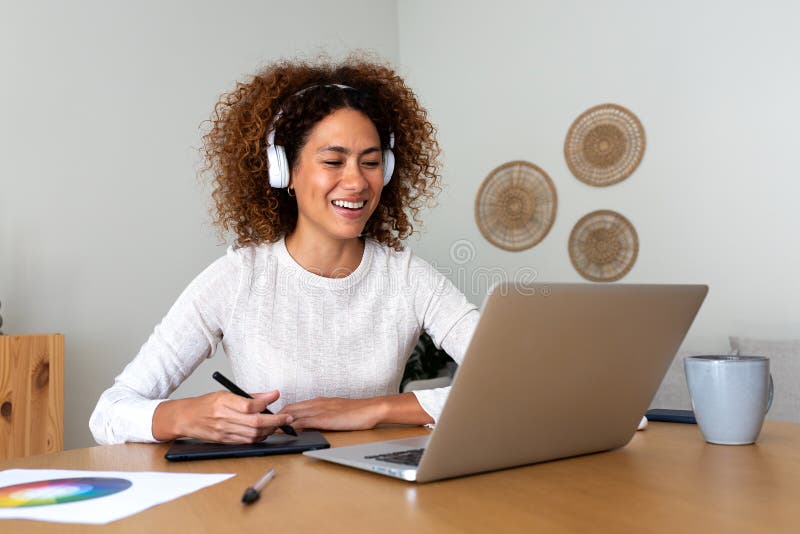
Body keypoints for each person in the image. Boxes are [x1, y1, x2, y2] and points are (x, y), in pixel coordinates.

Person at [90, 56, 479, 445]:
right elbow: (108, 414)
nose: (357, 181)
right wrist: (182, 415)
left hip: (377, 491)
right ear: (284, 171)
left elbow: (515, 382)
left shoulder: (407, 277)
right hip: (272, 492)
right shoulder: (239, 278)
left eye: (371, 162)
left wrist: (374, 409)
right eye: (333, 161)